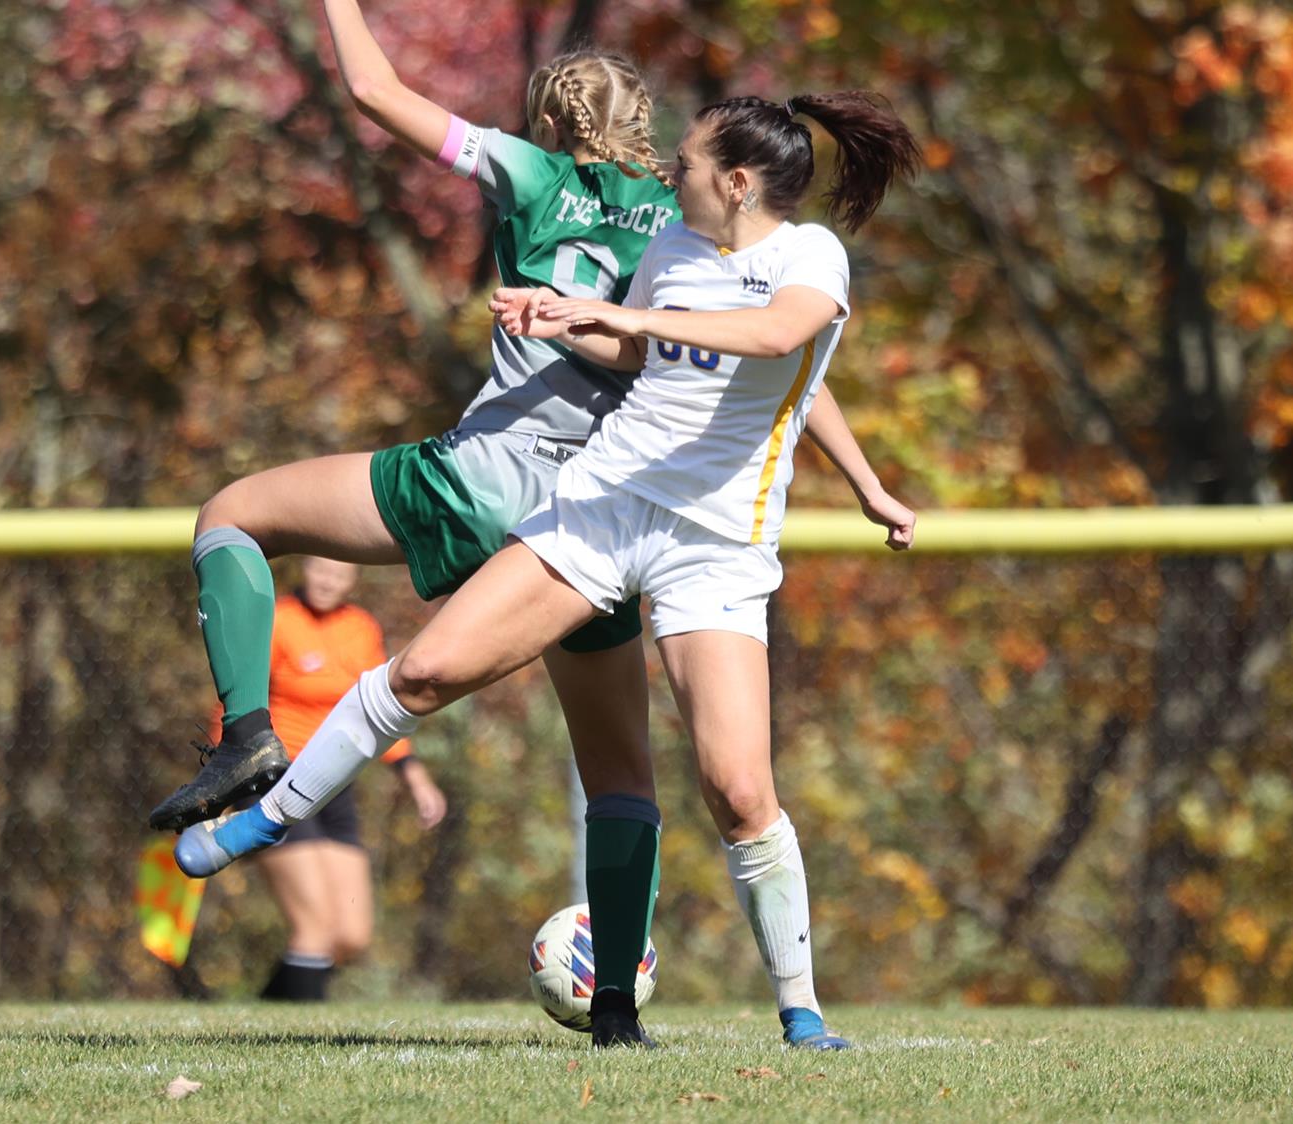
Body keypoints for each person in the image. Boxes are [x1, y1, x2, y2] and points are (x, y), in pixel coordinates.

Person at [152, 0, 892, 1051]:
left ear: (735, 179)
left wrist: (609, 317)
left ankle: (797, 1008)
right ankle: (266, 820)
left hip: (695, 542)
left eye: (689, 161)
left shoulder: (806, 255)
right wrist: (576, 321)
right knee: (427, 677)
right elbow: (679, 357)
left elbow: (778, 342)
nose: (671, 172)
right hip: (597, 502)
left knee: (736, 787)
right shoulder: (671, 238)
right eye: (666, 149)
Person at [234, 557, 447, 1001]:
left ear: (354, 579)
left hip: (333, 783)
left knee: (349, 935)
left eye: (338, 572)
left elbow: (380, 710)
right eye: (319, 569)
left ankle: (268, 1013)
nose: (327, 580)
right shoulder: (279, 620)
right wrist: (224, 778)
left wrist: (415, 777)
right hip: (275, 778)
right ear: (304, 570)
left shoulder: (360, 628)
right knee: (314, 929)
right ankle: (290, 1042)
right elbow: (235, 704)